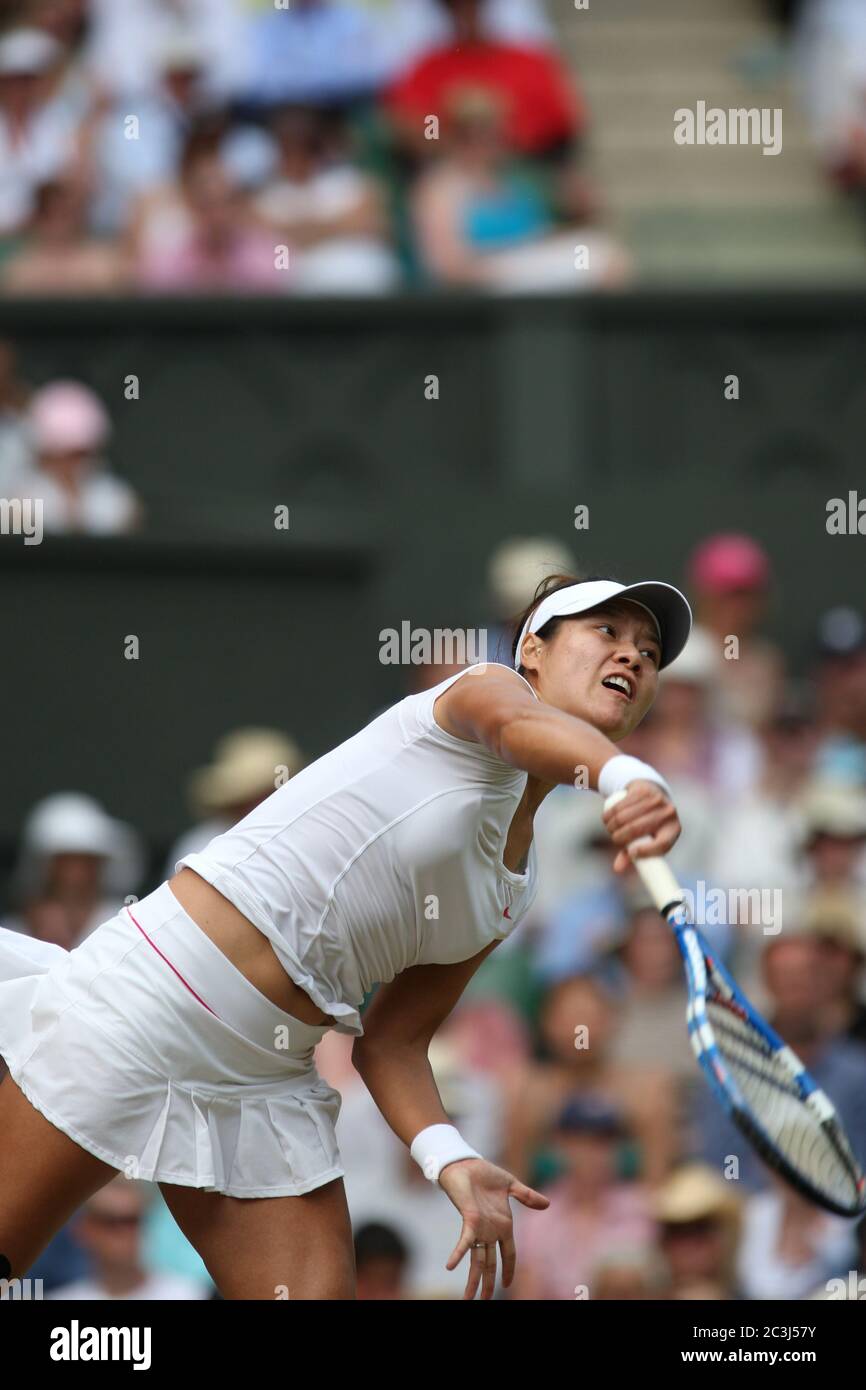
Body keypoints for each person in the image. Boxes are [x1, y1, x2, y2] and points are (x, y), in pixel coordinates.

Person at [0, 569, 692, 1299]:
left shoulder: (513, 887)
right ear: (532, 653)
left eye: (649, 652)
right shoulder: (482, 695)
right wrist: (625, 777)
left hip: (263, 1083)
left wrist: (449, 1156)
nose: (633, 657)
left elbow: (391, 1042)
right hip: (145, 1002)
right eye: (606, 633)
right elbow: (521, 730)